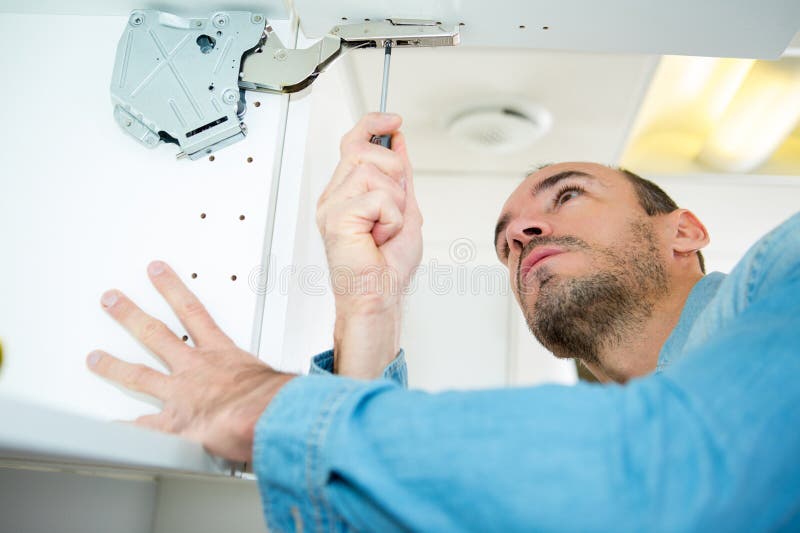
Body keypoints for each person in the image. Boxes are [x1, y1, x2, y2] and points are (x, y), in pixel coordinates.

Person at [86, 113, 800, 531]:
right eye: (505, 242)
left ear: (684, 231)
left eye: (567, 195)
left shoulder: (785, 272)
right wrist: (369, 311)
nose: (520, 232)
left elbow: (678, 472)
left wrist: (261, 402)